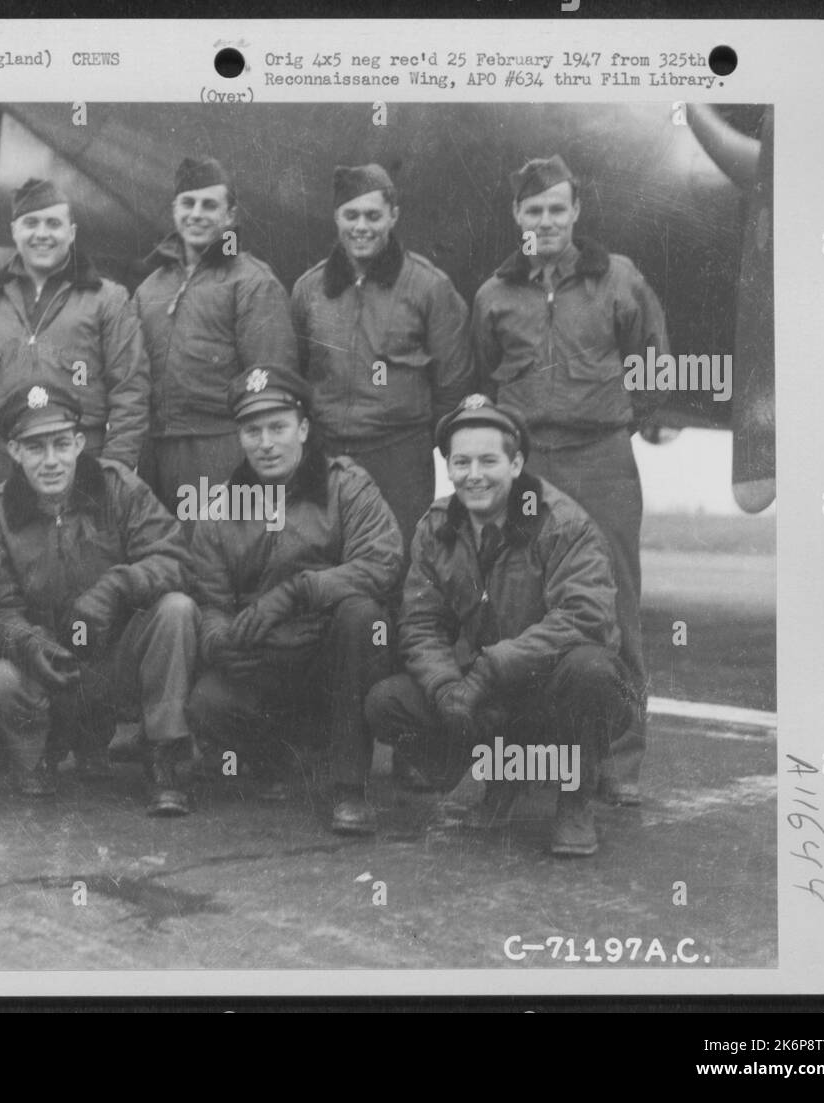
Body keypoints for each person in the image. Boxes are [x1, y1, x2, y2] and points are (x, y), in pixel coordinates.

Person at [470, 155, 670, 805]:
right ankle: (517, 755)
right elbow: (484, 373)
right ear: (517, 218)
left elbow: (651, 354)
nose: (547, 220)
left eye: (558, 208)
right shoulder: (494, 295)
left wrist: (640, 417)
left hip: (600, 459)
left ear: (577, 211)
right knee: (513, 600)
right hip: (528, 466)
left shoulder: (619, 279)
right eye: (534, 210)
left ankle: (621, 757)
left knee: (616, 603)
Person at [365, 395, 636, 856]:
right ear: (447, 467)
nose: (475, 474)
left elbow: (584, 616)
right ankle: (503, 780)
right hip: (482, 694)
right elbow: (419, 623)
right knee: (387, 701)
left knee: (591, 671)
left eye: (489, 460)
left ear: (516, 465)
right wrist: (446, 687)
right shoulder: (435, 529)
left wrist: (491, 668)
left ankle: (574, 803)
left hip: (545, 686)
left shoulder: (561, 522)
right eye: (461, 461)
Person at [186, 366, 403, 835]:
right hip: (264, 660)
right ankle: (280, 763)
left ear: (303, 428)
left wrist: (297, 592)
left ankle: (349, 787)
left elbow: (382, 562)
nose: (265, 443)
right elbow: (211, 599)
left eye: (278, 427)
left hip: (330, 657)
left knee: (363, 615)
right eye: (251, 430)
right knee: (207, 703)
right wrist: (220, 640)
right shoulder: (219, 507)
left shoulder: (346, 485)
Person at [0, 381, 199, 815]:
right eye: (35, 447)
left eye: (62, 444)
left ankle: (162, 756)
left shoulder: (119, 488)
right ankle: (35, 756)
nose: (51, 460)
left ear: (80, 443)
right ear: (14, 452)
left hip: (114, 658)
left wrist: (117, 586)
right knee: (0, 676)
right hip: (49, 665)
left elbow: (175, 559)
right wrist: (28, 641)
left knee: (176, 610)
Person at [291, 163, 472, 552]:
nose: (361, 227)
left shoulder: (429, 287)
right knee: (326, 563)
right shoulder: (309, 290)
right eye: (350, 215)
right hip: (327, 455)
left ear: (394, 215)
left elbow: (452, 383)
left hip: (399, 459)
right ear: (336, 217)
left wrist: (430, 451)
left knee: (398, 564)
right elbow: (296, 377)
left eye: (373, 215)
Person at [0, 178, 150, 501]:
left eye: (53, 224)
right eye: (31, 223)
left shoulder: (108, 300)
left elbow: (131, 393)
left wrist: (114, 472)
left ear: (70, 233)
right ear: (14, 230)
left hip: (81, 463)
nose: (42, 234)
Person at [134, 156, 297, 515]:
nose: (197, 214)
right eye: (187, 203)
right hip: (156, 453)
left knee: (216, 559)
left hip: (220, 453)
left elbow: (270, 385)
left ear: (231, 216)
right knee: (157, 558)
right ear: (174, 210)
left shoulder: (252, 282)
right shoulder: (150, 288)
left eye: (210, 205)